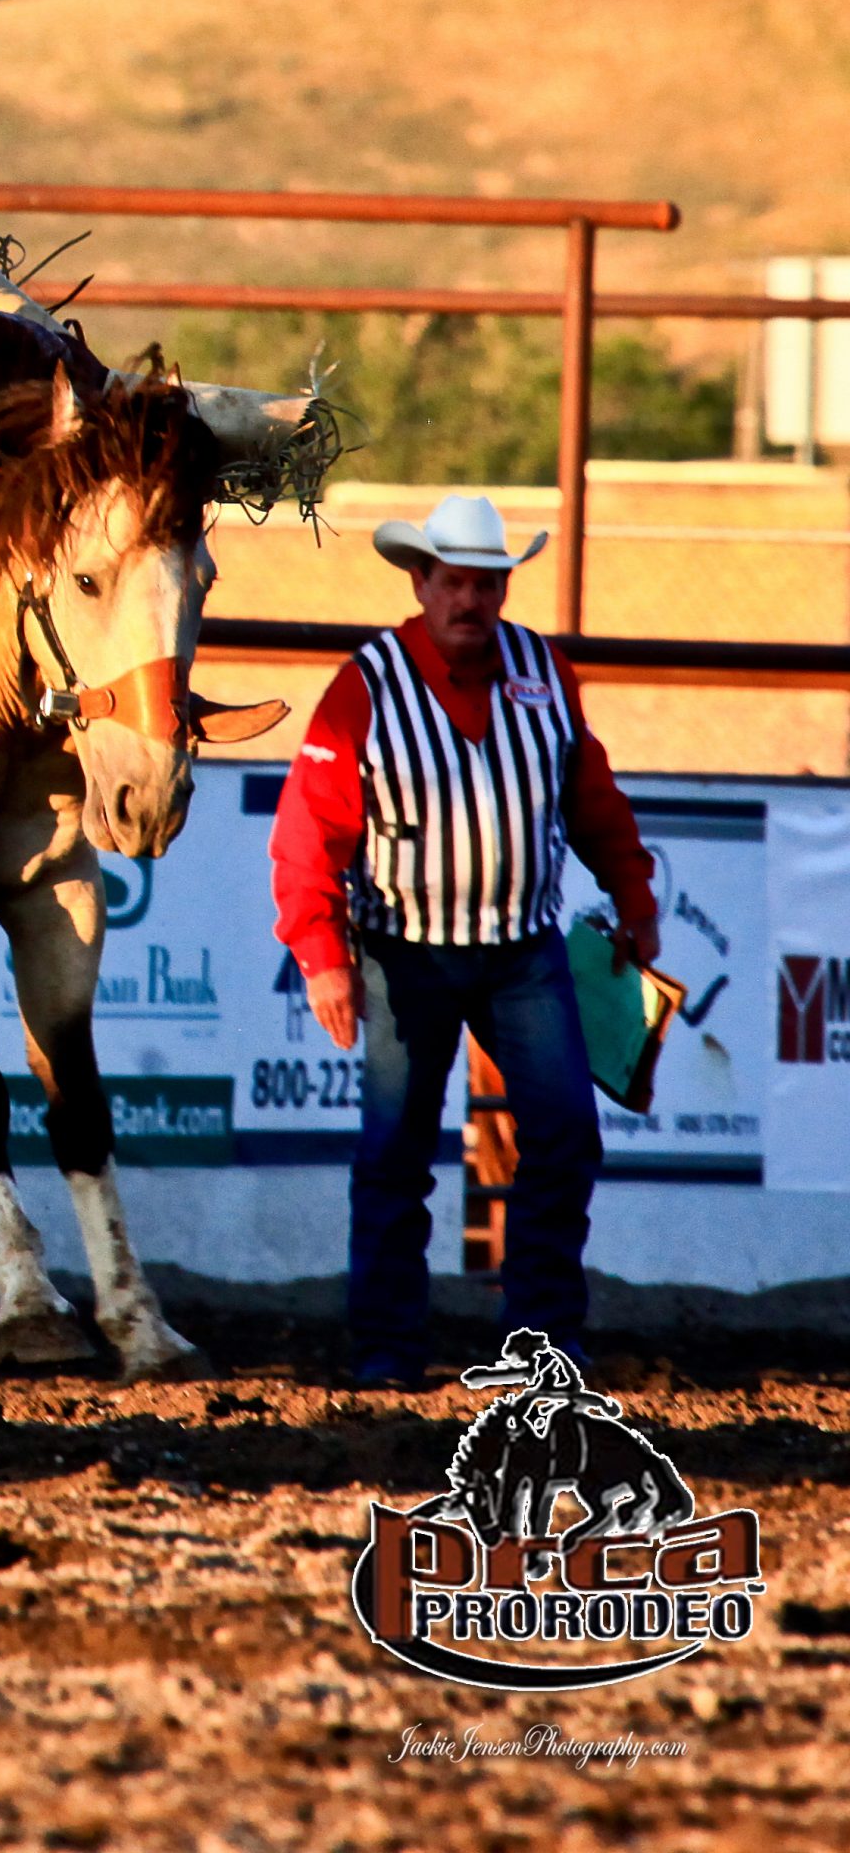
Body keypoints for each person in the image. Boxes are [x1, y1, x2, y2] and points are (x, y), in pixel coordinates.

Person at [267, 493, 659, 1389]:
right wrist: (322, 955)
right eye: (455, 583)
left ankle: (542, 1342)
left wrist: (632, 893)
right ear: (421, 582)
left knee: (564, 1135)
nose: (471, 602)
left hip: (524, 946)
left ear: (503, 588)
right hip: (405, 949)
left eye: (487, 585)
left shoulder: (544, 671)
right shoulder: (365, 683)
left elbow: (589, 794)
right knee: (397, 1150)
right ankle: (387, 1348)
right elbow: (308, 835)